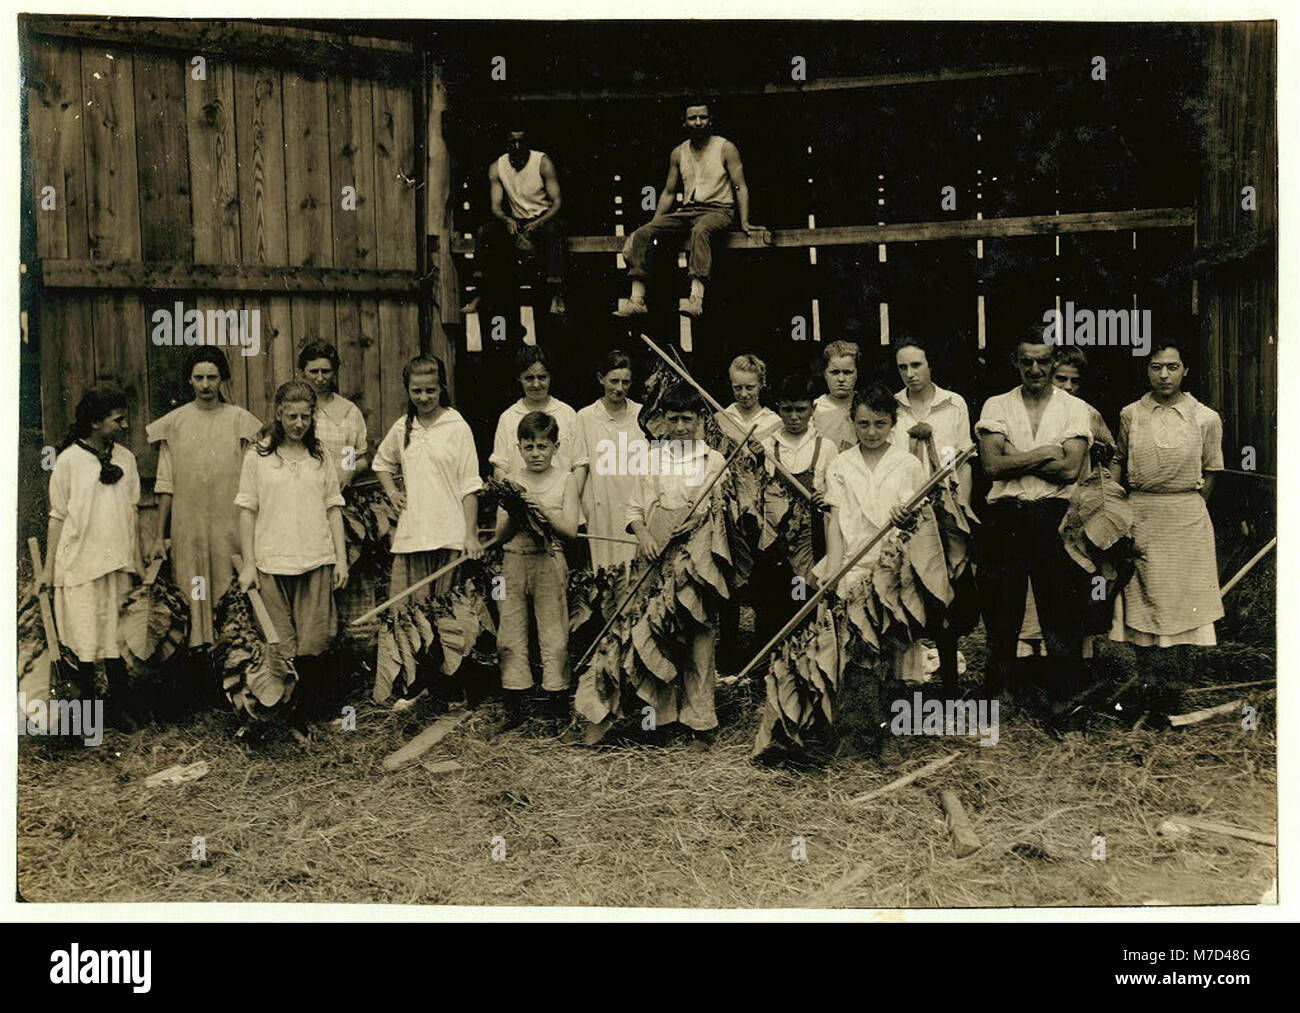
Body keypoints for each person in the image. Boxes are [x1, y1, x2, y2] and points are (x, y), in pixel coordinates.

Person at [975, 335, 1093, 701]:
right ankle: (998, 694)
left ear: (1055, 361)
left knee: (1060, 611)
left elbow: (1071, 469)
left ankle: (1065, 701)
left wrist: (1017, 456)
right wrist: (1044, 452)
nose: (1035, 370)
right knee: (1001, 611)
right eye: (1026, 362)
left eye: (1043, 361)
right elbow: (992, 466)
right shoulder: (997, 404)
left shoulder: (1074, 408)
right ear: (1015, 361)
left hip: (1054, 516)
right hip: (1007, 516)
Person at [1109, 342, 1225, 716]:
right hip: (1141, 513)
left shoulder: (1205, 417)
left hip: (1185, 518)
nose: (1163, 375)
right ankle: (1144, 688)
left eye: (1172, 367)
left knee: (1180, 605)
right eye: (1156, 367)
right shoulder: (1131, 414)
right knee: (1143, 603)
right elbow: (1119, 463)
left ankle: (1170, 692)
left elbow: (1211, 472)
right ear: (1146, 370)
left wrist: (1186, 508)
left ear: (1185, 370)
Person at [235, 379, 348, 739]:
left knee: (314, 642)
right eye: (291, 416)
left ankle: (306, 713)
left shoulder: (322, 457)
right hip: (272, 562)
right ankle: (279, 713)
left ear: (313, 416)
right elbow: (247, 510)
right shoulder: (259, 456)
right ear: (279, 414)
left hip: (315, 558)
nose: (298, 423)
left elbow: (334, 508)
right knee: (280, 644)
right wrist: (250, 564)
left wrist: (341, 559)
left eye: (305, 416)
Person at [372, 355, 484, 710]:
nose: (423, 397)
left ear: (442, 388)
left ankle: (451, 688)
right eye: (416, 391)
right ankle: (417, 684)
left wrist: (470, 534)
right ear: (408, 390)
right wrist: (392, 492)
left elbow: (470, 484)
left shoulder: (457, 426)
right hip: (412, 536)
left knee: (447, 615)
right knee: (411, 615)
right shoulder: (402, 428)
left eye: (430, 390)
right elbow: (381, 463)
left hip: (449, 534)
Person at [625, 385, 728, 749]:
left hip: (697, 559)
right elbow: (635, 510)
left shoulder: (713, 461)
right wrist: (644, 536)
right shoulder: (651, 458)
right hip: (658, 557)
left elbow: (722, 512)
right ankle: (662, 716)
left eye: (688, 419)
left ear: (700, 420)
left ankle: (699, 721)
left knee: (699, 633)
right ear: (663, 421)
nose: (681, 426)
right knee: (660, 632)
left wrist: (699, 518)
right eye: (674, 419)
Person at [144, 348, 263, 654]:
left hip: (230, 524)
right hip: (189, 527)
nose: (206, 384)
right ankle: (197, 668)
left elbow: (255, 478)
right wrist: (160, 535)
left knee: (231, 592)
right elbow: (165, 482)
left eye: (212, 377)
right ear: (189, 380)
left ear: (222, 378)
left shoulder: (241, 421)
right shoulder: (175, 423)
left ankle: (233, 661)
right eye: (199, 378)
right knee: (192, 590)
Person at [42, 386, 143, 729]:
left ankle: (119, 708)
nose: (124, 425)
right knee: (84, 636)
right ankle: (85, 719)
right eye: (118, 419)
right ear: (97, 422)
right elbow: (57, 516)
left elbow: (132, 513)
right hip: (79, 564)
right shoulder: (69, 461)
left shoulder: (126, 459)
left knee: (114, 635)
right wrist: (47, 569)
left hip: (116, 563)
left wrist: (137, 560)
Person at [615, 101, 763, 319]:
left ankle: (696, 298)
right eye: (692, 118)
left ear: (710, 120)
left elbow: (740, 186)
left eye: (702, 117)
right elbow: (668, 192)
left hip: (718, 210)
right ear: (684, 123)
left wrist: (744, 221)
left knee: (700, 230)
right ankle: (637, 299)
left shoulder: (725, 148)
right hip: (688, 210)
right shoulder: (678, 152)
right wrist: (653, 226)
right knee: (645, 232)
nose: (698, 122)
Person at [1018, 346, 1115, 659]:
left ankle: (1080, 657)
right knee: (1036, 582)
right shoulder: (1029, 410)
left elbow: (1111, 450)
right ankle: (1031, 652)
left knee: (1077, 576)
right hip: (1037, 504)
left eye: (1074, 381)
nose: (1068, 387)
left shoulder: (1086, 412)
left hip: (1077, 504)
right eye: (1062, 379)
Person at [892, 339, 975, 692]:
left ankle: (951, 683)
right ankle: (906, 676)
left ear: (930, 365)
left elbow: (964, 462)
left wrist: (964, 509)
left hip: (945, 508)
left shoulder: (953, 404)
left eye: (917, 365)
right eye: (903, 367)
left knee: (947, 590)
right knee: (908, 587)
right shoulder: (893, 407)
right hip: (907, 511)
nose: (911, 374)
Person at [493, 412, 580, 730]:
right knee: (509, 634)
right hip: (513, 561)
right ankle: (515, 706)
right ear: (518, 448)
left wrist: (541, 511)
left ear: (556, 447)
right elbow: (498, 535)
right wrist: (517, 514)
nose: (536, 454)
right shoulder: (511, 482)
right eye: (529, 447)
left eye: (542, 446)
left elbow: (569, 529)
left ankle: (557, 705)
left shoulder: (565, 479)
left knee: (553, 634)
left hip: (549, 560)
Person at [751, 374, 837, 662]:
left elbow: (835, 492)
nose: (794, 417)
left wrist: (824, 497)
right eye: (787, 410)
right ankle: (771, 665)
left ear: (812, 409)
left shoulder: (825, 447)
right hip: (776, 537)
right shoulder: (768, 445)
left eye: (801, 409)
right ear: (778, 409)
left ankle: (807, 662)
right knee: (774, 597)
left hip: (812, 537)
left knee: (806, 595)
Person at [466, 127, 567, 317]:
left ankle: (557, 294)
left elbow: (557, 202)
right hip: (518, 220)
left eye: (521, 142)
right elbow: (496, 206)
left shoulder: (542, 162)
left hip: (543, 217)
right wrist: (506, 219)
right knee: (485, 232)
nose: (517, 146)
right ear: (506, 144)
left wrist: (540, 222)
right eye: (513, 142)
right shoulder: (497, 167)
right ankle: (480, 293)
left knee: (554, 232)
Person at [571, 349, 643, 572]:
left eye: (625, 382)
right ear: (600, 378)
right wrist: (573, 508)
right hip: (601, 507)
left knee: (635, 571)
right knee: (605, 572)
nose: (619, 388)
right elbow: (580, 465)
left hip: (635, 506)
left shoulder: (642, 414)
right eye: (613, 381)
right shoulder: (585, 417)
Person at [490, 346, 578, 481]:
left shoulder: (567, 414)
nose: (536, 385)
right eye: (529, 378)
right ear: (519, 378)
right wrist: (516, 498)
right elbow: (500, 467)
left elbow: (580, 465)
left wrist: (569, 496)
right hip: (522, 498)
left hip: (561, 498)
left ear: (550, 376)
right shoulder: (508, 417)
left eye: (542, 377)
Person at [299, 340, 369, 489]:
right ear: (302, 373)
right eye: (313, 371)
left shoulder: (349, 410)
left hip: (339, 492)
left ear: (334, 372)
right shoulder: (294, 410)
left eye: (325, 371)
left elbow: (360, 456)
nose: (319, 378)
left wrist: (349, 470)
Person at [715, 353, 783, 444]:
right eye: (738, 388)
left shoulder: (774, 422)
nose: (743, 394)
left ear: (762, 384)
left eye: (749, 388)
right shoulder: (721, 418)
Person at [813, 340, 860, 451]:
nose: (841, 379)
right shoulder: (815, 409)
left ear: (857, 373)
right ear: (825, 374)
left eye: (848, 372)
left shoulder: (866, 404)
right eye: (834, 372)